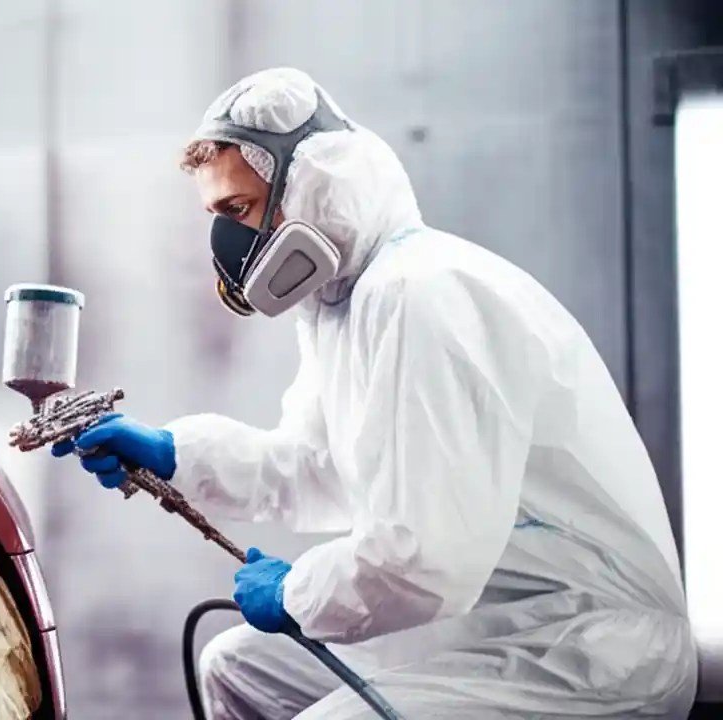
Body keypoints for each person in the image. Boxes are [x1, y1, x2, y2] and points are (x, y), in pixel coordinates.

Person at [51, 68, 697, 719]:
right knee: (238, 666)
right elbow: (315, 467)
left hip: (585, 648)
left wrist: (296, 593)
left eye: (239, 211)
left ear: (312, 185)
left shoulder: (421, 294)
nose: (229, 246)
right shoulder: (343, 307)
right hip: (483, 624)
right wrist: (174, 454)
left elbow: (425, 559)